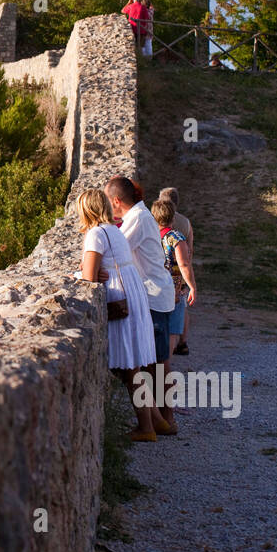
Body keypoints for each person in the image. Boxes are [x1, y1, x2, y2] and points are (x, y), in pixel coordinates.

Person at [77, 188, 174, 442]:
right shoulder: (114, 231)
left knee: (129, 368)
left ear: (86, 210)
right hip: (133, 292)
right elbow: (100, 267)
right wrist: (97, 271)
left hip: (118, 298)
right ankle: (157, 420)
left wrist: (87, 274)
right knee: (131, 366)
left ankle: (146, 428)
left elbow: (87, 277)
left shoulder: (95, 234)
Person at [104, 174, 178, 429]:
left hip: (153, 295)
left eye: (107, 201)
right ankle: (159, 419)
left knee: (157, 363)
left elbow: (115, 250)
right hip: (158, 292)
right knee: (154, 361)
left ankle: (167, 418)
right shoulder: (140, 215)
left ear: (116, 201)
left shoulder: (136, 219)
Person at [151, 200, 197, 370]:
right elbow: (184, 265)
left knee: (156, 327)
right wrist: (192, 286)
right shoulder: (176, 238)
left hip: (153, 287)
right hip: (173, 290)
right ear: (173, 215)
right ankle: (165, 365)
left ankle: (152, 364)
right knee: (172, 330)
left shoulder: (151, 236)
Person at [158, 186, 194, 354]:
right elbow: (189, 251)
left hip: (157, 277)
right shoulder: (185, 223)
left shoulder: (153, 224)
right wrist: (190, 282)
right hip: (177, 277)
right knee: (180, 310)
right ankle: (183, 342)